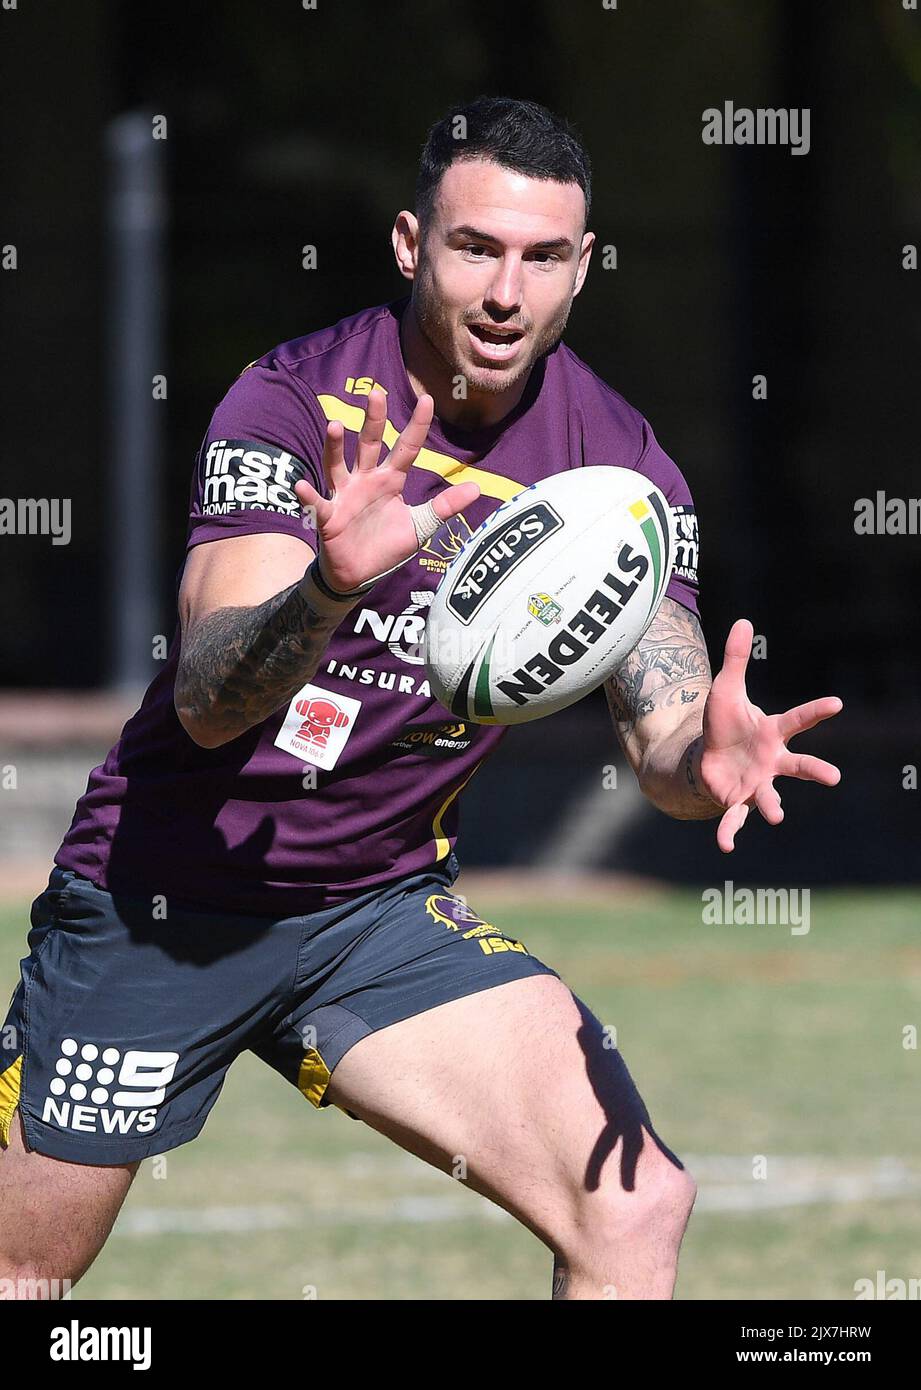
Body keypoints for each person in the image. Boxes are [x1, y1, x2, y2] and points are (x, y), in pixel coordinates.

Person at [0, 96, 841, 1300]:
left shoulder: (620, 477)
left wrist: (696, 759)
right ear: (411, 244)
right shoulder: (292, 400)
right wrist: (330, 589)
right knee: (23, 1273)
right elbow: (205, 701)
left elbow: (661, 716)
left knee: (637, 1205)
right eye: (475, 248)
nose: (508, 293)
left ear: (583, 266)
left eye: (544, 257)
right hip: (158, 898)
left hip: (372, 914)